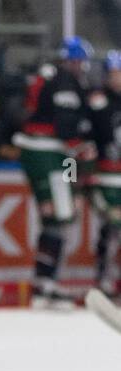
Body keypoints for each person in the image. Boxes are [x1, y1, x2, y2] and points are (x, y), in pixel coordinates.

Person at [13, 36, 94, 309]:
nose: (83, 68)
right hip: (45, 152)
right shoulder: (63, 81)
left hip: (41, 151)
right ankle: (45, 286)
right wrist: (81, 147)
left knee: (52, 217)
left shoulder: (49, 75)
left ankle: (43, 284)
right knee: (60, 216)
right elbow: (64, 125)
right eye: (81, 62)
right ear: (72, 60)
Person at [88, 51, 121, 297]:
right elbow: (78, 144)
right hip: (106, 176)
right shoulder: (97, 103)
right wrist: (79, 180)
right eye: (114, 73)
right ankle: (104, 280)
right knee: (111, 226)